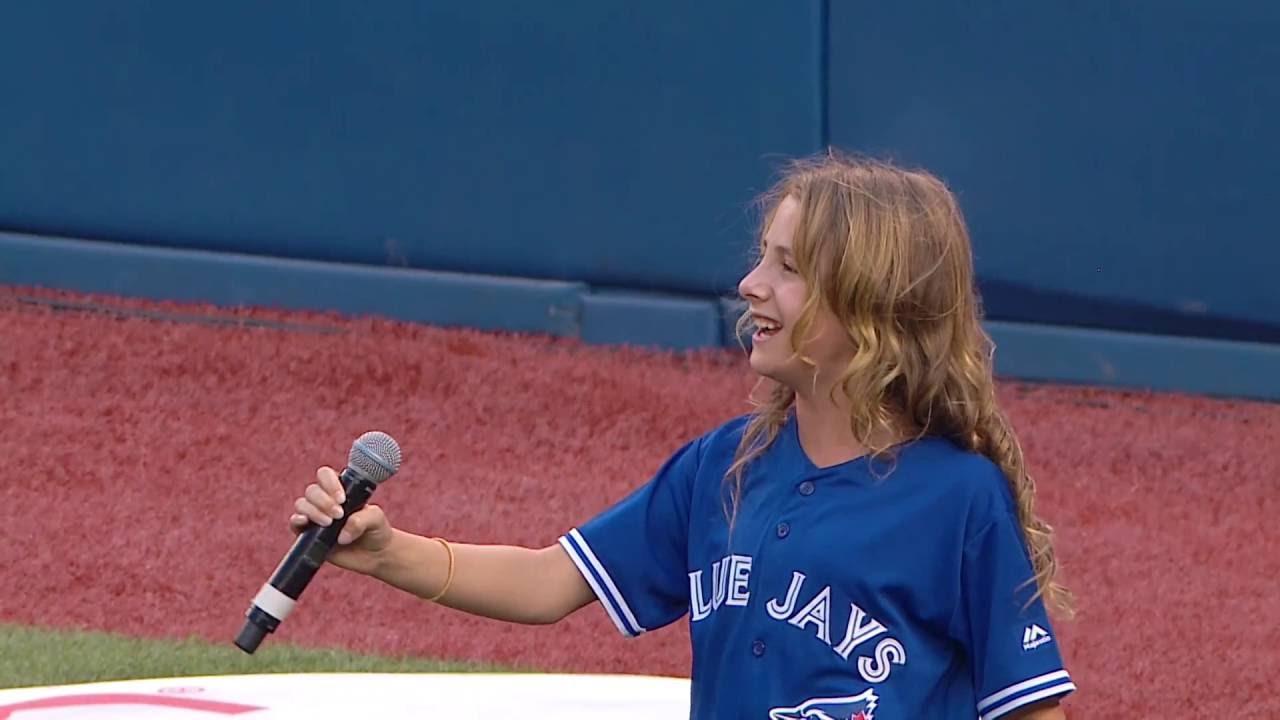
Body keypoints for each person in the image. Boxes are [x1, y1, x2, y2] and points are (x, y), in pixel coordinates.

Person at [289, 151, 1076, 719]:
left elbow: (1031, 705)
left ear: (872, 308)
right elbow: (549, 581)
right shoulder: (724, 468)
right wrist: (390, 552)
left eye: (789, 268)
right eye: (760, 258)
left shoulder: (958, 496)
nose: (750, 284)